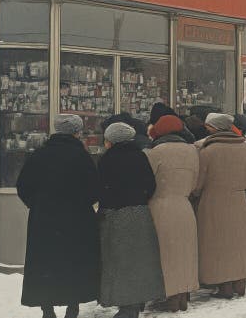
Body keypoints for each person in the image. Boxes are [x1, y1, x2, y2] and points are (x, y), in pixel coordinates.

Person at [17, 114, 100, 318]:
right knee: (74, 262)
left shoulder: (39, 155)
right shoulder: (81, 156)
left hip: (44, 219)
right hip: (76, 219)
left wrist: (37, 205)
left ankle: (47, 308)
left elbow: (23, 186)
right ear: (75, 132)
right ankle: (73, 305)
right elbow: (94, 188)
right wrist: (81, 205)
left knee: (46, 263)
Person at [98, 123, 165, 318]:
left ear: (112, 140)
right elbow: (150, 185)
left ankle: (125, 303)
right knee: (139, 259)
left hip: (113, 214)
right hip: (139, 212)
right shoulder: (140, 156)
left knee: (118, 261)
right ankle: (137, 299)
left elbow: (100, 187)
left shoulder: (106, 160)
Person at [194, 113, 246, 298]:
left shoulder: (207, 151)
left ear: (214, 128)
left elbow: (199, 183)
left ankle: (224, 286)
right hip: (239, 200)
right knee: (239, 242)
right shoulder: (245, 148)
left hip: (213, 202)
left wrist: (198, 193)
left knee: (219, 244)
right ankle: (240, 283)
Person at [146, 115, 200, 312]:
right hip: (184, 207)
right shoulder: (192, 151)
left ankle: (170, 297)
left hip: (160, 206)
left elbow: (147, 182)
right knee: (185, 253)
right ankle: (183, 294)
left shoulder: (155, 153)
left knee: (166, 254)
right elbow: (195, 183)